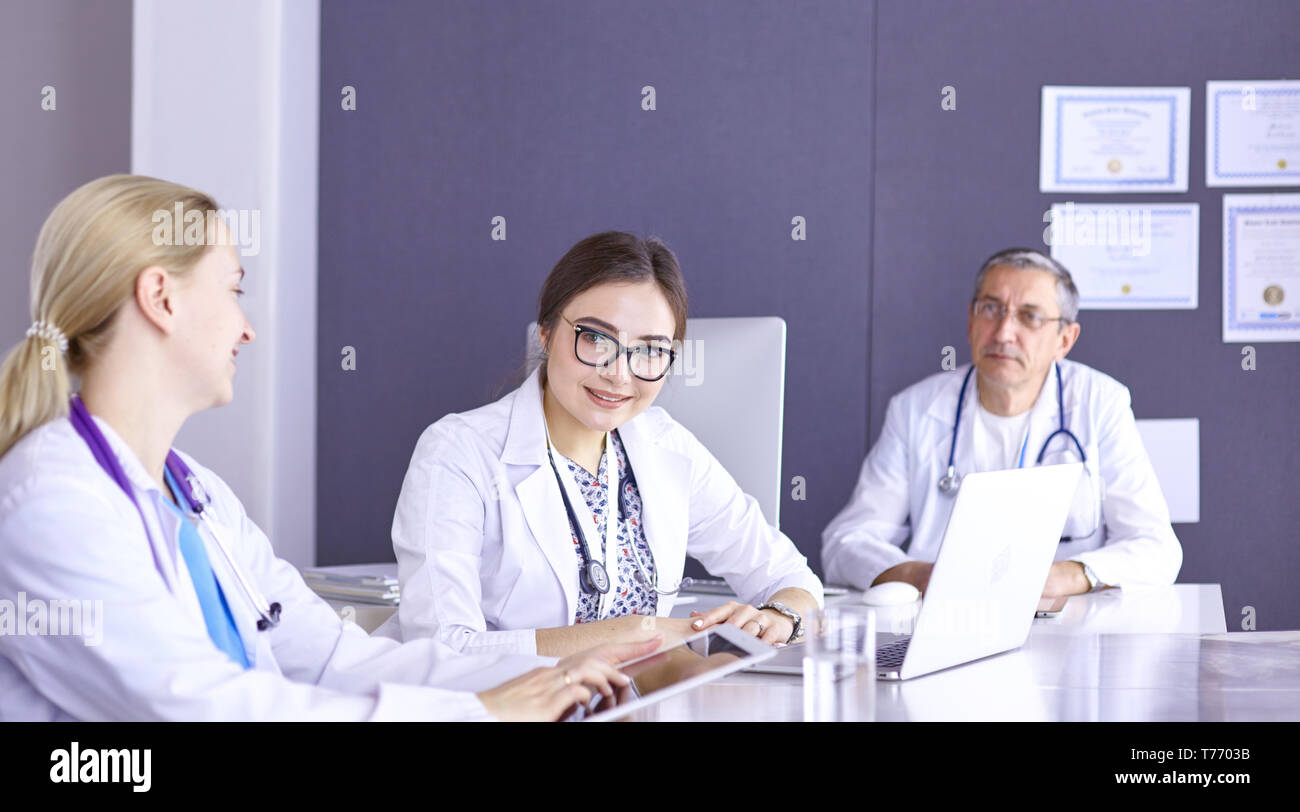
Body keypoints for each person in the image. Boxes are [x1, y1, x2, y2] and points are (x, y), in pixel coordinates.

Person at [0, 175, 653, 721]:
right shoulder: (51, 504)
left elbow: (335, 657)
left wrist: (547, 673)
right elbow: (197, 704)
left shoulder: (194, 493)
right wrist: (480, 713)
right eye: (233, 290)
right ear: (160, 298)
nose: (247, 328)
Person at [389, 231, 823, 658]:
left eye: (650, 350)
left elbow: (791, 577)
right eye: (596, 339)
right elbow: (442, 649)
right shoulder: (458, 452)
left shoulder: (666, 446)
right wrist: (627, 634)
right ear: (545, 332)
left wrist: (780, 617)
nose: (620, 374)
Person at [822, 248, 1182, 596]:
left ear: (1064, 340)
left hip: (1065, 623)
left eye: (1030, 316)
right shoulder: (915, 409)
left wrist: (1068, 576)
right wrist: (919, 576)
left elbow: (1156, 547)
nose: (1004, 332)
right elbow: (846, 542)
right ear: (970, 319)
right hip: (943, 617)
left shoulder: (1100, 403)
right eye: (991, 309)